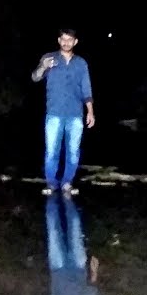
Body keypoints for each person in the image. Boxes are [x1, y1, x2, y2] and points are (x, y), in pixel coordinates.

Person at [31, 28, 94, 196]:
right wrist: (43, 67)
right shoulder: (48, 58)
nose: (66, 43)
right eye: (63, 39)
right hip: (54, 113)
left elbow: (86, 88)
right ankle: (51, 183)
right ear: (59, 41)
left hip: (75, 114)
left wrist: (90, 111)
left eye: (70, 40)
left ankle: (67, 182)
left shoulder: (81, 63)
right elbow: (35, 77)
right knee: (52, 150)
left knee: (73, 151)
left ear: (75, 42)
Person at [41, 192, 99, 295]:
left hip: (58, 268)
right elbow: (91, 293)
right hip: (79, 268)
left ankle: (52, 193)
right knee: (74, 224)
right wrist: (94, 271)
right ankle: (67, 197)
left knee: (53, 227)